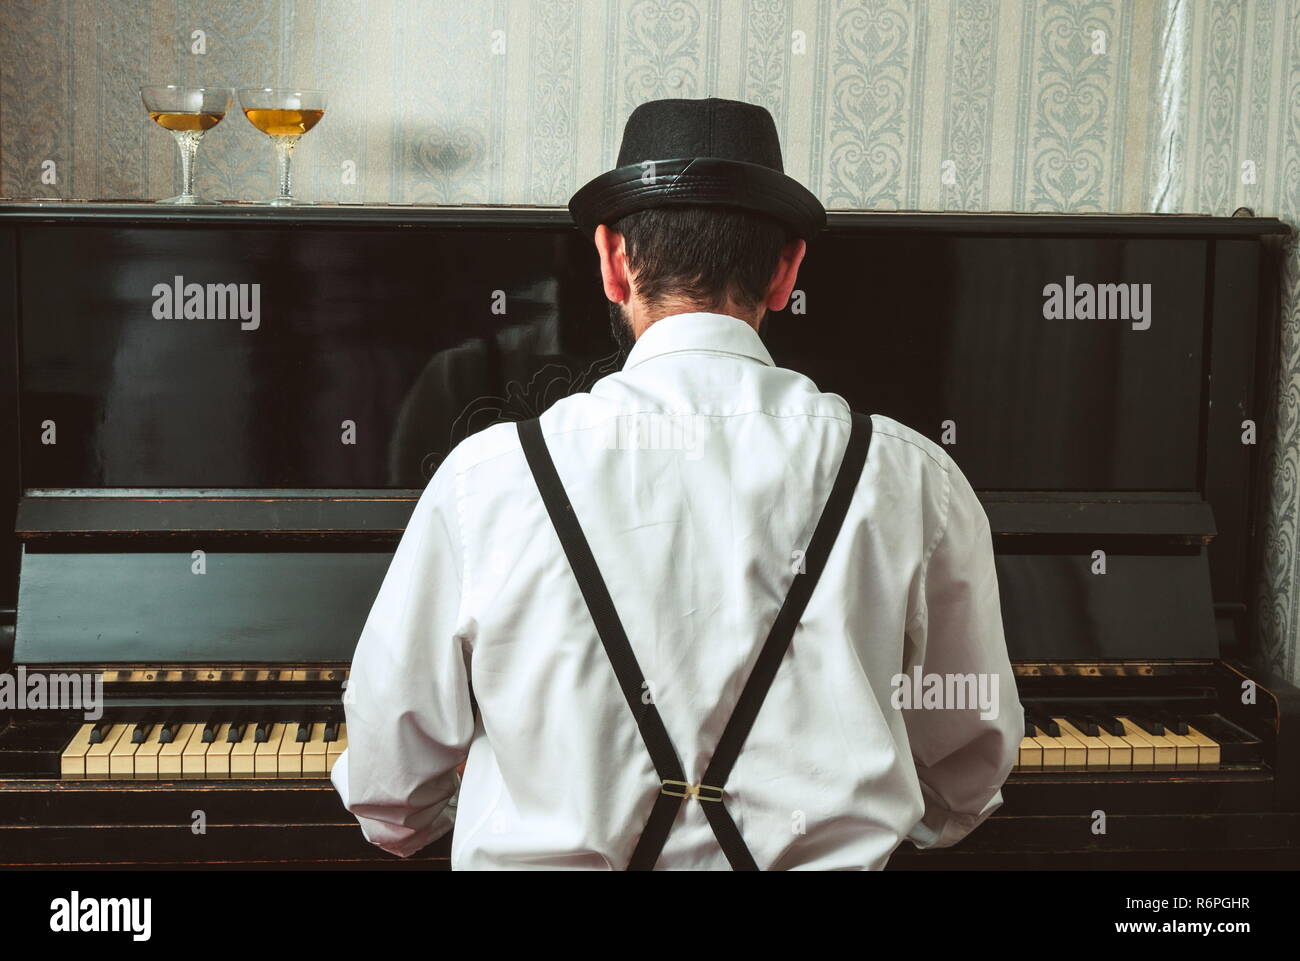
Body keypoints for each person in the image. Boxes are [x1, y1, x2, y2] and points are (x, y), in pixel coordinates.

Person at [332, 97, 1022, 870]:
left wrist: (492, 798)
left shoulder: (487, 476)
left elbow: (389, 793)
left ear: (612, 261)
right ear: (787, 270)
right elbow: (968, 772)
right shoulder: (912, 475)